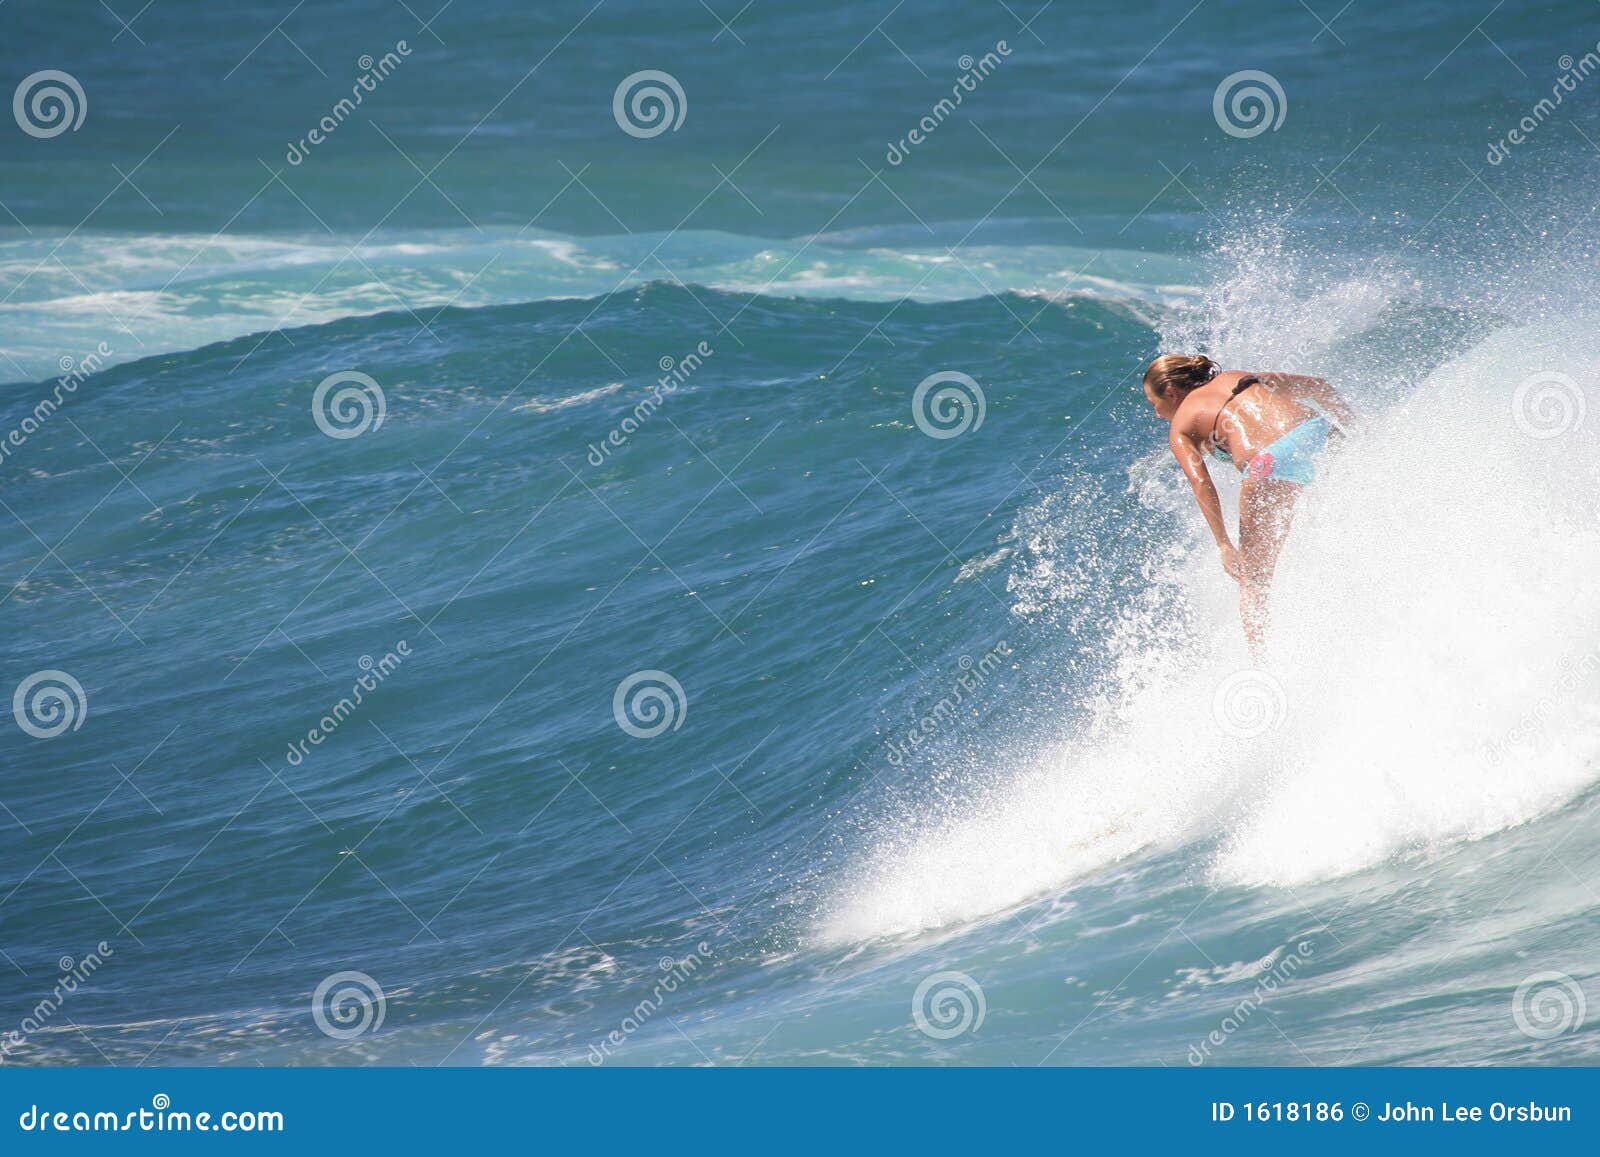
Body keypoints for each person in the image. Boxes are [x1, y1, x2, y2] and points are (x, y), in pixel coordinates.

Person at [1142, 354, 1355, 656]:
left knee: (1253, 581)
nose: (1156, 414)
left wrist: (1224, 545)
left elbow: (1201, 484)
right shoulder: (1238, 377)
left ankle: (1262, 660)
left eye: (1153, 403)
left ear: (1171, 393)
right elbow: (1319, 388)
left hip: (1268, 465)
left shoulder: (1180, 426)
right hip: (1317, 432)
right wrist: (1359, 430)